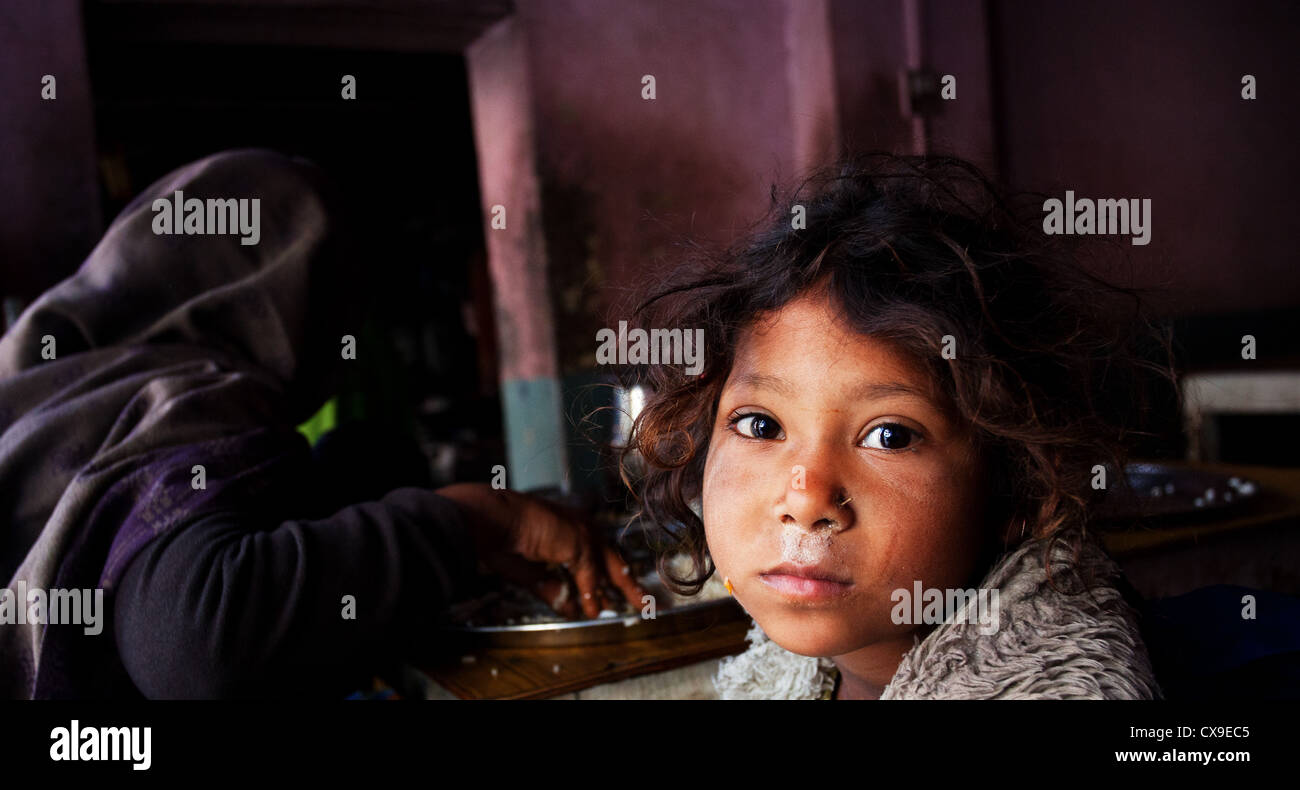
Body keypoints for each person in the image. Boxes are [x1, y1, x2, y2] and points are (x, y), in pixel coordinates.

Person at [0, 149, 644, 699]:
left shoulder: (55, 389)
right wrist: (472, 524)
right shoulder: (184, 394)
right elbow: (196, 642)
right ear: (282, 293)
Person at [620, 153, 1175, 699]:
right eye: (761, 425)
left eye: (890, 435)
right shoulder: (785, 669)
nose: (807, 497)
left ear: (1018, 492)